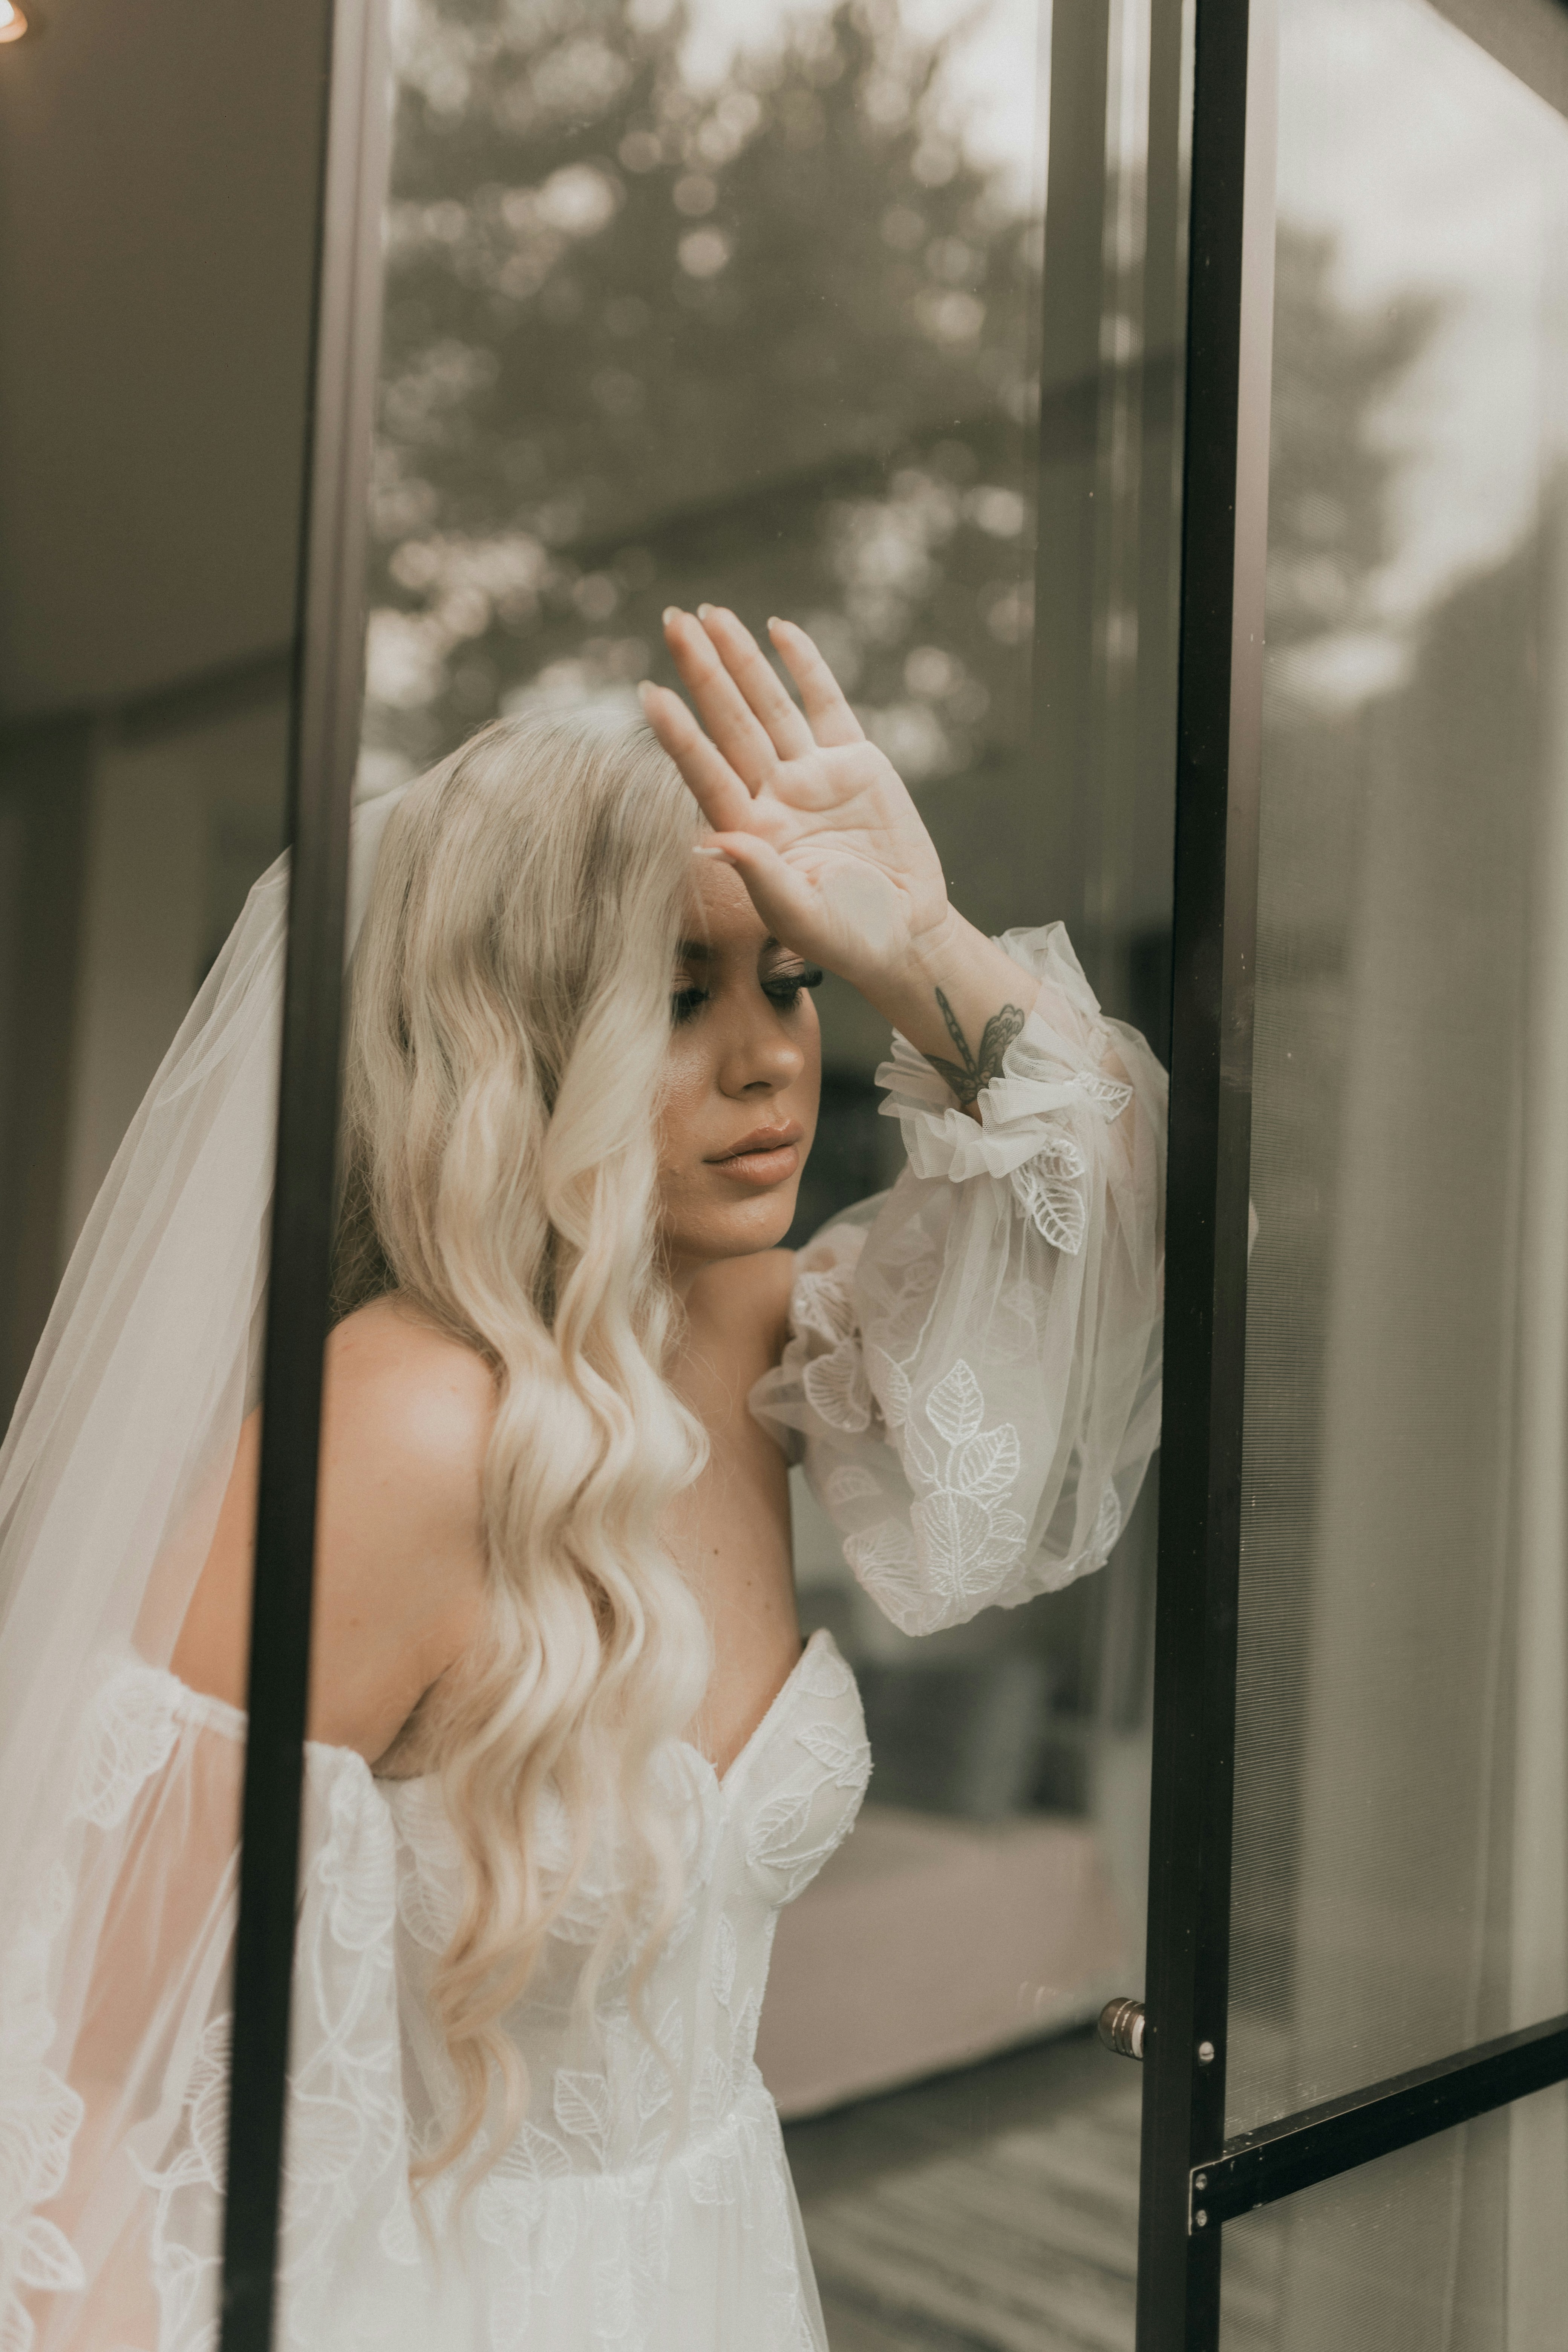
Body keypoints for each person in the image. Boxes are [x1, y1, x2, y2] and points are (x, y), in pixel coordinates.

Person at [0, 607, 1165, 2350]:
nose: (774, 1058)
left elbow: (1115, 1233)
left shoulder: (771, 1333)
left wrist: (920, 941)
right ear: (510, 1041)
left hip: (707, 2272)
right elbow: (71, 2082)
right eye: (671, 996)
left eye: (783, 978)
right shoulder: (398, 1433)